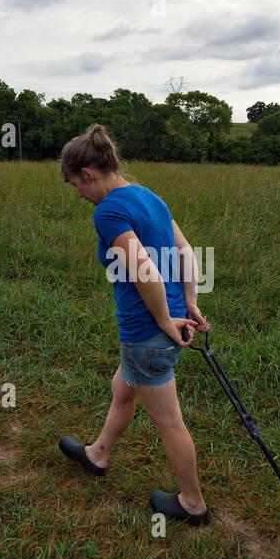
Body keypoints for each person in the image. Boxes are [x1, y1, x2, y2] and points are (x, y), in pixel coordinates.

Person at [56, 124, 212, 525]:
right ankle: (98, 453)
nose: (79, 195)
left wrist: (165, 318)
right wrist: (190, 303)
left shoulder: (108, 211)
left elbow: (144, 270)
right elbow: (186, 251)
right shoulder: (149, 197)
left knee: (169, 422)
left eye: (76, 185)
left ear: (88, 174)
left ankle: (192, 503)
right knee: (122, 388)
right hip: (163, 331)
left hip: (149, 334)